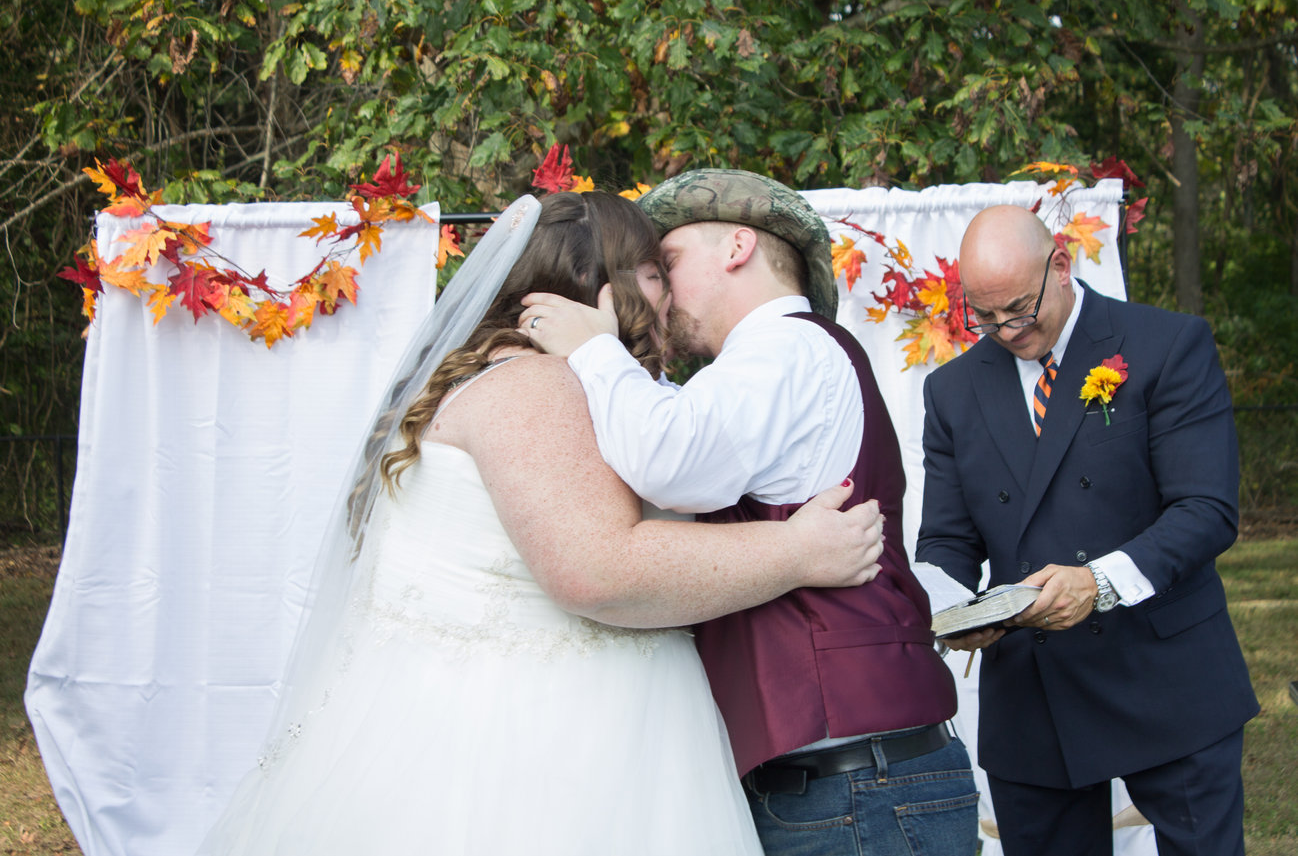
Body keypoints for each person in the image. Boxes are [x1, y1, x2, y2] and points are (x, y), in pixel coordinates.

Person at [196, 191, 889, 856]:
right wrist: (795, 550)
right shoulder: (536, 385)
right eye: (652, 273)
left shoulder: (526, 378)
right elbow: (597, 569)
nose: (667, 297)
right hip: (529, 752)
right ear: (598, 281)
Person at [519, 169, 978, 856]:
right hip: (844, 786)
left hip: (855, 790)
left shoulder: (787, 347)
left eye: (669, 262)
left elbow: (670, 461)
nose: (662, 291)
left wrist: (593, 347)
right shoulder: (765, 364)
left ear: (737, 246)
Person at [916, 204, 1259, 856]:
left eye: (1018, 309)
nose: (1004, 330)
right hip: (1033, 691)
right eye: (983, 317)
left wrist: (1098, 583)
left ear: (1062, 266)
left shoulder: (1166, 345)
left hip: (1164, 673)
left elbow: (1205, 509)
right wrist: (951, 609)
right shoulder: (952, 392)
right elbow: (947, 541)